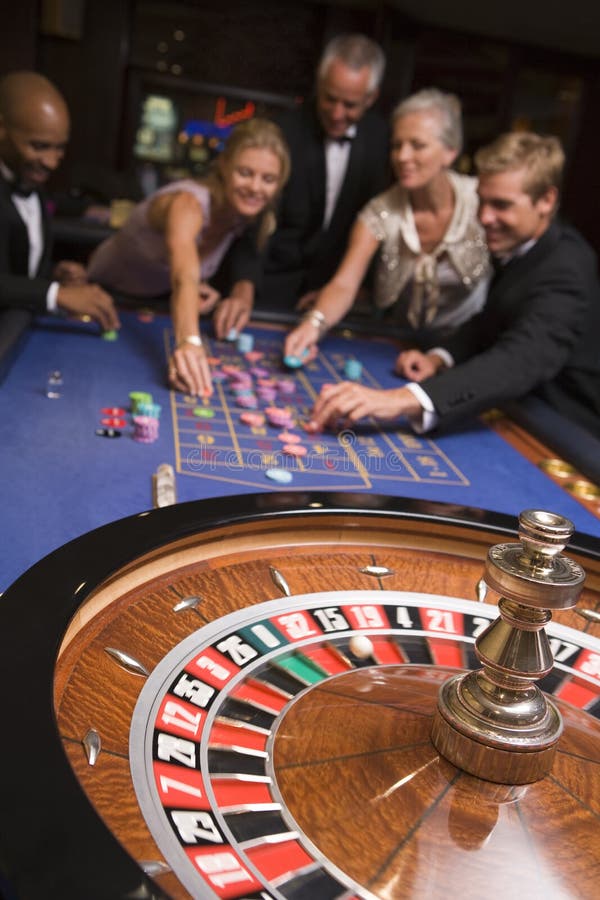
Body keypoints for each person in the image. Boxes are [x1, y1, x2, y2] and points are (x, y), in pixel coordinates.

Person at [307, 132, 600, 440]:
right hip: (519, 407)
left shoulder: (567, 266)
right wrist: (440, 356)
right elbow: (490, 322)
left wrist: (401, 399)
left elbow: (522, 358)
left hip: (567, 430)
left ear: (546, 200)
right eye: (482, 202)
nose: (485, 217)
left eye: (501, 205)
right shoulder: (523, 245)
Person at [284, 88, 489, 363]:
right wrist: (314, 324)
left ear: (450, 152)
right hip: (401, 346)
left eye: (418, 145)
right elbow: (345, 283)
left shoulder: (483, 202)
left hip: (469, 349)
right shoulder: (379, 212)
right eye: (397, 145)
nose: (402, 156)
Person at [88, 118, 290, 397]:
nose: (256, 187)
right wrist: (190, 342)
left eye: (268, 179)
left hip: (151, 304)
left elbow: (188, 273)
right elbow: (183, 275)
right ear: (224, 165)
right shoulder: (187, 203)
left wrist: (199, 288)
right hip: (102, 297)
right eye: (245, 172)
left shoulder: (241, 217)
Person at [227, 32, 389, 314]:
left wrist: (354, 290)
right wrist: (244, 284)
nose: (337, 114)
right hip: (270, 284)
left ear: (371, 97)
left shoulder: (383, 142)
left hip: (333, 292)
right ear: (319, 82)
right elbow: (254, 216)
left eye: (350, 105)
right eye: (330, 98)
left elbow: (381, 221)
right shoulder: (283, 131)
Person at [0, 71, 119, 331]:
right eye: (39, 146)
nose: (52, 161)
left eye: (60, 148)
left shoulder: (34, 185)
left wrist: (53, 273)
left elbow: (13, 269)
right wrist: (54, 293)